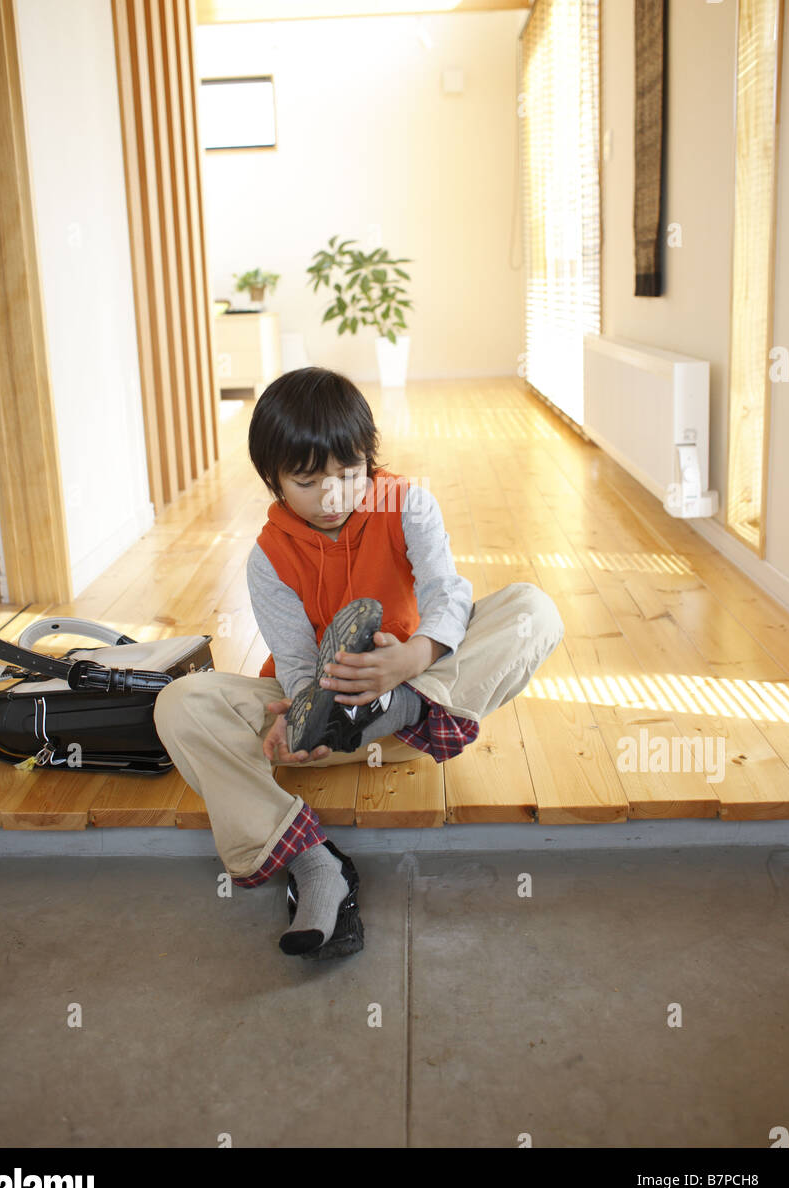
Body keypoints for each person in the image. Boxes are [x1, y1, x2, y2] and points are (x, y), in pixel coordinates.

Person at [153, 367, 564, 962]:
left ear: (368, 461)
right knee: (180, 703)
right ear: (272, 480)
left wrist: (414, 659)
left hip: (417, 704)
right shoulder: (268, 558)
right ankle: (315, 864)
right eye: (307, 480)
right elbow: (294, 660)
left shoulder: (408, 504)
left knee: (534, 608)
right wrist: (299, 713)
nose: (332, 497)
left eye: (348, 475)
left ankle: (392, 707)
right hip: (322, 727)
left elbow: (447, 594)